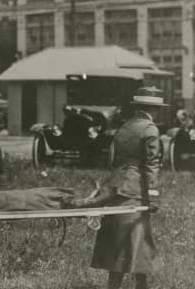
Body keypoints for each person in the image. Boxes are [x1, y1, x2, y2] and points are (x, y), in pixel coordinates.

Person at [68, 86, 163, 289]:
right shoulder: (150, 129)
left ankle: (125, 286)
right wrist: (153, 197)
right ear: (153, 109)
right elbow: (152, 165)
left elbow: (112, 159)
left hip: (115, 187)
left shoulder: (125, 126)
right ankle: (138, 286)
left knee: (118, 243)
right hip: (135, 192)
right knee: (138, 243)